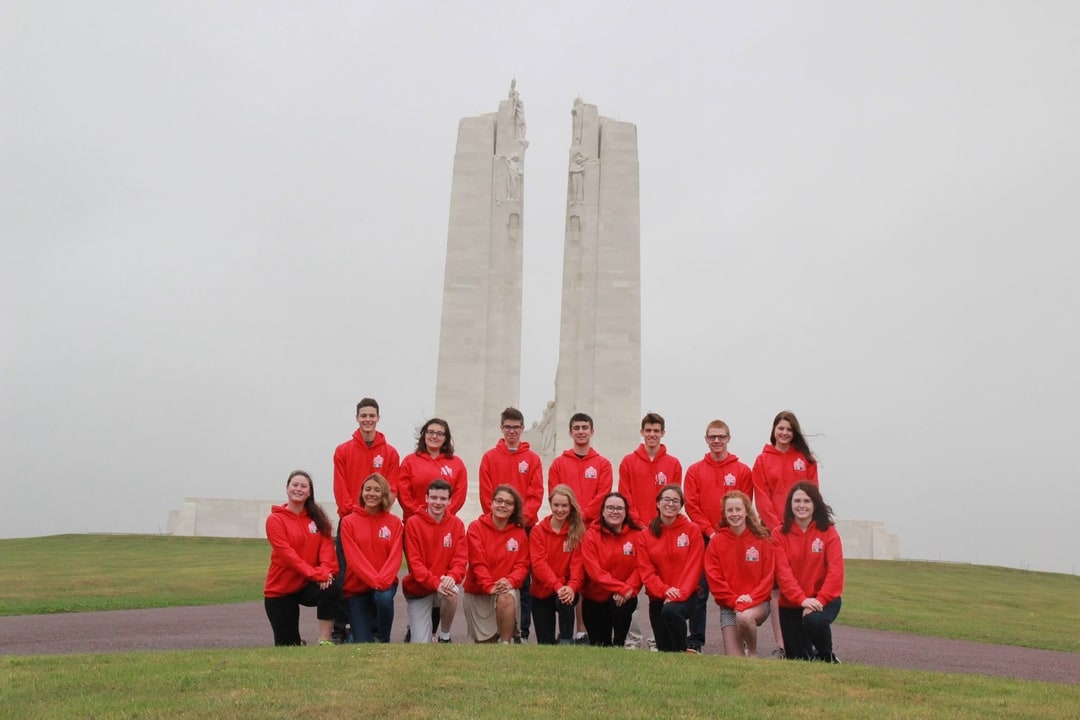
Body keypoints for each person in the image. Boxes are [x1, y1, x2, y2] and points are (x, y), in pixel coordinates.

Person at [331, 397, 400, 642]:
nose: (368, 420)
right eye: (364, 416)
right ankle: (339, 629)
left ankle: (374, 629)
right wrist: (355, 513)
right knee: (345, 575)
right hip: (351, 521)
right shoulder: (343, 450)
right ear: (357, 418)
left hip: (379, 519)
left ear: (378, 418)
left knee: (378, 573)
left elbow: (392, 488)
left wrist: (377, 511)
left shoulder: (390, 453)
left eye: (372, 416)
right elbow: (340, 487)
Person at [752, 410, 819, 657]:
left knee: (804, 585)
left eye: (789, 429)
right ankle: (783, 645)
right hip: (774, 533)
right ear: (774, 430)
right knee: (777, 590)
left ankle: (807, 643)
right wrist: (777, 527)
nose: (784, 433)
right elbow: (762, 496)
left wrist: (802, 524)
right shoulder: (762, 460)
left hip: (802, 531)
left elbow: (813, 494)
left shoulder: (805, 459)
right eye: (780, 428)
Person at [684, 419, 754, 652]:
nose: (716, 440)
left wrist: (726, 533)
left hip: (733, 539)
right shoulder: (694, 470)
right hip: (704, 539)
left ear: (728, 438)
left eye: (721, 436)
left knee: (736, 590)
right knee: (700, 591)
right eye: (712, 436)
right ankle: (695, 642)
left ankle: (741, 640)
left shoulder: (742, 470)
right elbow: (692, 505)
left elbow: (744, 505)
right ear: (706, 439)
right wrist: (710, 532)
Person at [617, 412, 683, 650]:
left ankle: (658, 639)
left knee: (660, 586)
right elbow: (625, 496)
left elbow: (673, 498)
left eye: (656, 431)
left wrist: (657, 524)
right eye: (648, 430)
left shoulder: (673, 463)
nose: (652, 435)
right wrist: (642, 524)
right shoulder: (628, 462)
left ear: (662, 433)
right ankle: (633, 639)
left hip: (663, 533)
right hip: (636, 531)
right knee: (633, 585)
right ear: (642, 432)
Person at [479, 407, 545, 641]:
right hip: (496, 528)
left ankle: (522, 632)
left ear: (522, 428)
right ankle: (494, 629)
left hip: (523, 527)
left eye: (516, 427)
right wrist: (499, 519)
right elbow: (486, 494)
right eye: (507, 427)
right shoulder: (489, 457)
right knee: (495, 575)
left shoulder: (532, 459)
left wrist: (518, 520)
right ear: (501, 428)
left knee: (523, 581)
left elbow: (536, 494)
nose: (512, 432)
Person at [548, 412, 613, 641]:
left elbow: (603, 495)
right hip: (566, 528)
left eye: (585, 427)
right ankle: (567, 630)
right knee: (568, 576)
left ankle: (582, 630)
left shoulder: (603, 464)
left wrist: (580, 516)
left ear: (592, 431)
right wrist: (571, 518)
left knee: (586, 580)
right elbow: (555, 493)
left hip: (592, 529)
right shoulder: (559, 463)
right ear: (570, 432)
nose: (581, 431)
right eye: (577, 428)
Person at [263, 470, 339, 647]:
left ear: (309, 492)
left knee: (331, 587)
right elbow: (288, 556)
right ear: (287, 488)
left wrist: (325, 571)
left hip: (306, 585)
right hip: (281, 589)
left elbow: (327, 550)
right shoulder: (275, 520)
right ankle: (297, 642)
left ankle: (325, 641)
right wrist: (315, 574)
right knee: (288, 647)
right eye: (295, 485)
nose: (298, 489)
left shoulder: (318, 519)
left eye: (303, 486)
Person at [774, 482, 844, 663]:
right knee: (799, 659)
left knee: (815, 621)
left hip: (824, 601)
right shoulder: (779, 534)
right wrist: (802, 600)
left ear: (815, 504)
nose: (801, 505)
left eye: (807, 501)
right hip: (791, 604)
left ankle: (827, 656)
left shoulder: (828, 532)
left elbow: (836, 572)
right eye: (797, 501)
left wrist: (818, 601)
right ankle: (811, 651)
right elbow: (783, 574)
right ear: (790, 504)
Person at [704, 491, 775, 657]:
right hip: (729, 605)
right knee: (734, 659)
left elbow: (768, 577)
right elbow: (715, 580)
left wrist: (750, 599)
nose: (734, 514)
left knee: (744, 617)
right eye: (730, 510)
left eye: (738, 509)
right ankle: (741, 647)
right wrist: (735, 600)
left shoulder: (762, 540)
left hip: (757, 602)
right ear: (724, 513)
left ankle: (752, 653)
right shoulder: (716, 542)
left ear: (746, 512)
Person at [635, 485, 704, 653]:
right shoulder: (645, 535)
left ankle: (683, 651)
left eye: (675, 501)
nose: (670, 504)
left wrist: (678, 594)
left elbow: (694, 566)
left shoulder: (692, 530)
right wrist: (665, 591)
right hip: (658, 597)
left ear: (680, 506)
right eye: (666, 500)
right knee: (664, 650)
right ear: (658, 503)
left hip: (686, 596)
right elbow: (646, 571)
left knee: (671, 612)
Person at [340, 473, 403, 643]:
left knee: (383, 598)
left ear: (384, 494)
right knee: (362, 643)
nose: (371, 494)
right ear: (362, 493)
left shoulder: (395, 523)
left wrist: (382, 582)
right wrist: (374, 581)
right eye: (367, 489)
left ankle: (383, 638)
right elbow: (354, 558)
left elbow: (395, 557)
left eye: (377, 490)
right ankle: (354, 634)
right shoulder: (348, 522)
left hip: (385, 584)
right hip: (356, 587)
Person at [463, 485, 530, 643]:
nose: (503, 505)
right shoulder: (475, 528)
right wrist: (489, 585)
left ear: (514, 509)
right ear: (491, 503)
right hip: (478, 591)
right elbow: (477, 562)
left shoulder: (519, 532)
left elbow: (522, 565)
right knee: (485, 645)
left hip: (505, 589)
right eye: (499, 501)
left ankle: (505, 643)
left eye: (508, 503)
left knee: (506, 596)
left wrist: (510, 581)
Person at [403, 479, 467, 644]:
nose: (438, 502)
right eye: (434, 498)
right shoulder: (413, 523)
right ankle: (415, 629)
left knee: (452, 592)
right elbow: (415, 565)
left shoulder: (457, 525)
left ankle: (445, 636)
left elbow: (460, 561)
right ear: (426, 498)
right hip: (419, 588)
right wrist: (435, 583)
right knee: (420, 644)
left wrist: (452, 576)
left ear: (450, 501)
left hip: (443, 586)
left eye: (443, 499)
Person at [581, 492, 642, 647]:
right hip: (595, 598)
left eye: (619, 508)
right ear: (602, 511)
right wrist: (620, 587)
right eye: (610, 508)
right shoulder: (591, 535)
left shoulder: (637, 535)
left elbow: (640, 567)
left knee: (622, 609)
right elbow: (595, 571)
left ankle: (620, 643)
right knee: (600, 646)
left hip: (623, 599)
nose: (615, 512)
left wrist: (627, 589)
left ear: (626, 512)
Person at [529, 485, 586, 645]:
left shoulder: (578, 531)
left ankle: (566, 640)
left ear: (571, 506)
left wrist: (571, 587)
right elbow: (539, 564)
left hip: (566, 591)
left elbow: (578, 565)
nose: (560, 510)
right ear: (550, 504)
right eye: (556, 505)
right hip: (542, 591)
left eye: (564, 506)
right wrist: (557, 586)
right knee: (545, 644)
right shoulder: (538, 531)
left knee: (565, 600)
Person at [398, 418, 468, 523]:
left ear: (445, 438)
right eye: (430, 432)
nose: (434, 436)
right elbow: (403, 494)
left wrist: (440, 514)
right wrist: (421, 513)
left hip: (444, 523)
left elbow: (459, 496)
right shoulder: (409, 461)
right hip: (415, 522)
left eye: (439, 434)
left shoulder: (457, 464)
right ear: (424, 435)